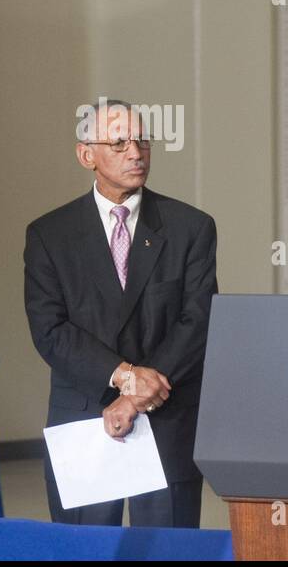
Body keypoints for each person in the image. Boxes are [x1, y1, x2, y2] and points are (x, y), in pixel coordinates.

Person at [24, 98, 218, 528]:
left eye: (142, 141)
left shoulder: (191, 228)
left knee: (169, 556)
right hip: (85, 422)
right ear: (86, 155)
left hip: (166, 420)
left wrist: (135, 396)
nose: (135, 152)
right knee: (85, 552)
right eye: (119, 143)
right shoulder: (49, 235)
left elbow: (199, 322)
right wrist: (123, 375)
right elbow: (50, 329)